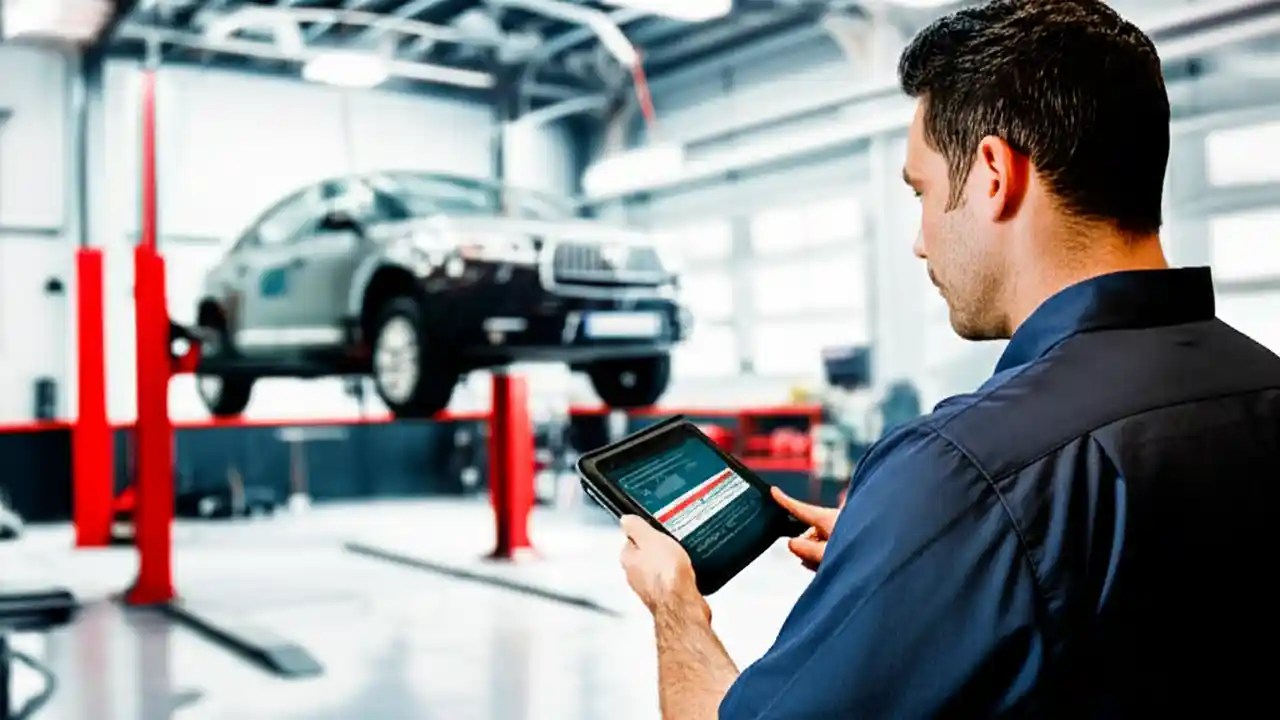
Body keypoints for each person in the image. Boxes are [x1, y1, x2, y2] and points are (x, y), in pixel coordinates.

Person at [618, 0, 1280, 717]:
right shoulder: (1262, 388)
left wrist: (674, 608)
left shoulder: (958, 472)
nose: (921, 240)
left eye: (921, 192)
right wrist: (921, 548)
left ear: (994, 174)